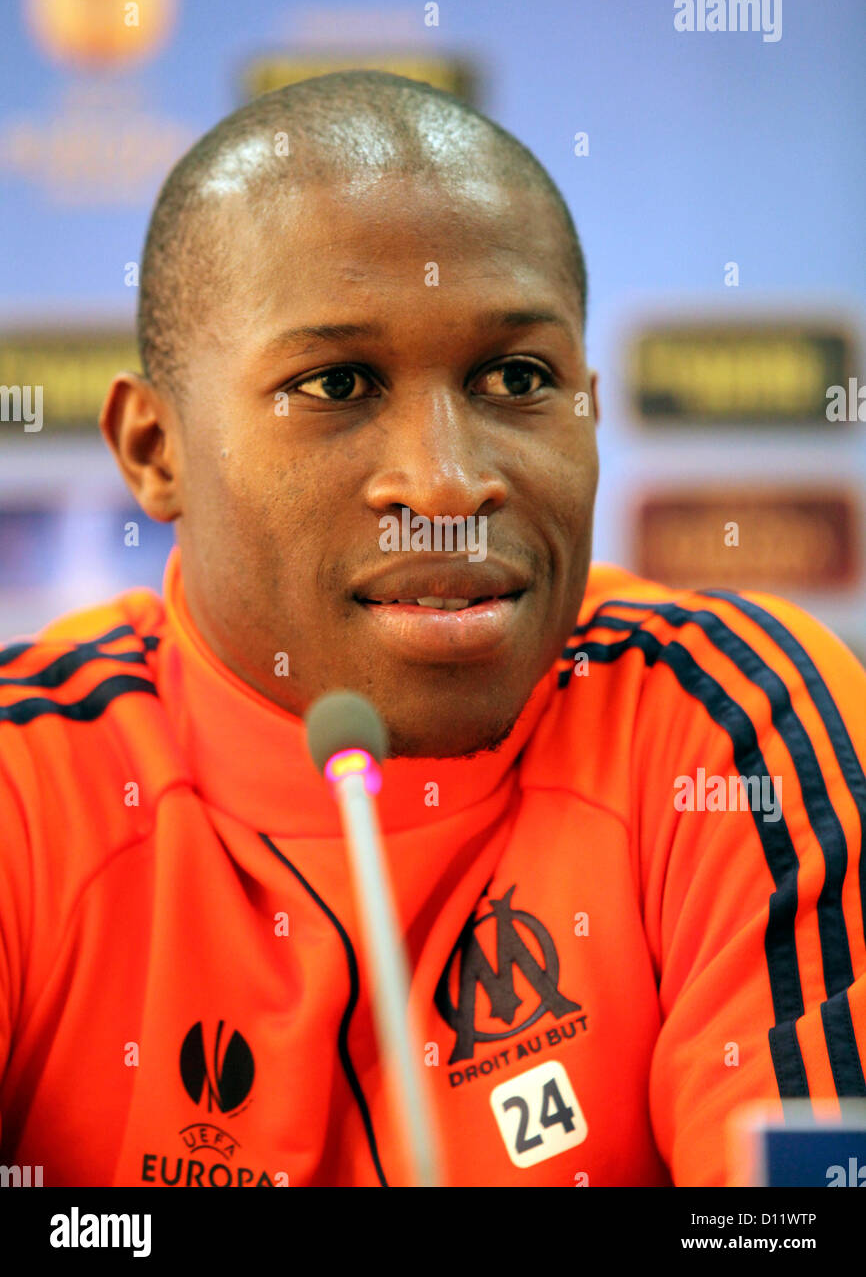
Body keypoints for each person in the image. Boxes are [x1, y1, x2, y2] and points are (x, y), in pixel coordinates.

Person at [1, 71, 863, 1188]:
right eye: (337, 382)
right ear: (153, 450)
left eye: (516, 377)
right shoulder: (28, 778)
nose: (448, 484)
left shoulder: (729, 721)